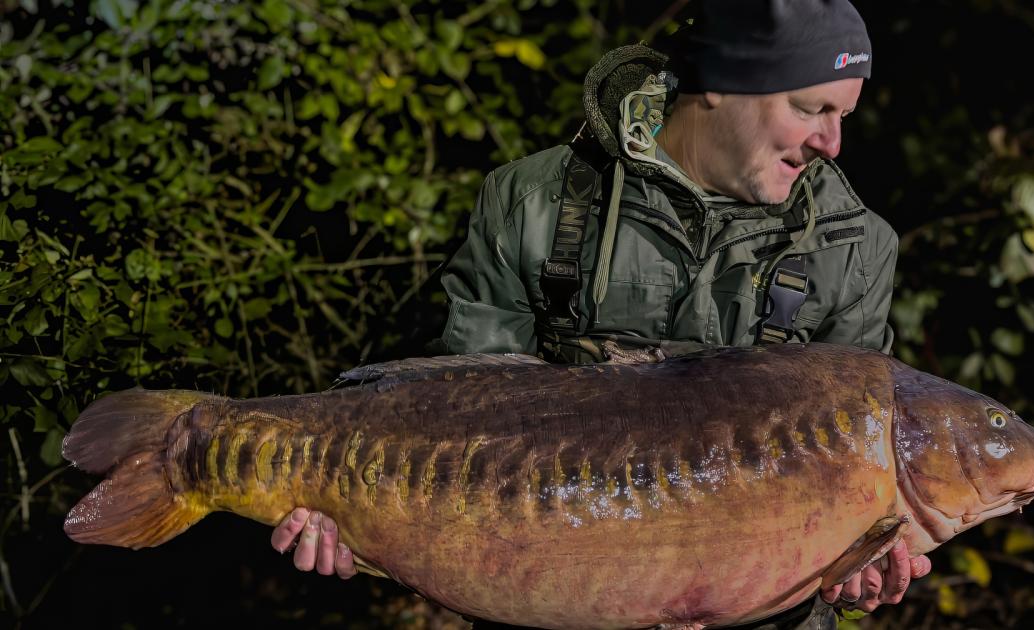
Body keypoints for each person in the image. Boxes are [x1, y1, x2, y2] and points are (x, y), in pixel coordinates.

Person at [271, 0, 932, 624]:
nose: (831, 143)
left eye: (843, 115)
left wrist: (861, 567)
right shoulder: (534, 202)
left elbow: (852, 503)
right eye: (811, 108)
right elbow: (454, 430)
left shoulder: (857, 248)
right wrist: (358, 519)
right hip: (550, 599)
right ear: (721, 83)